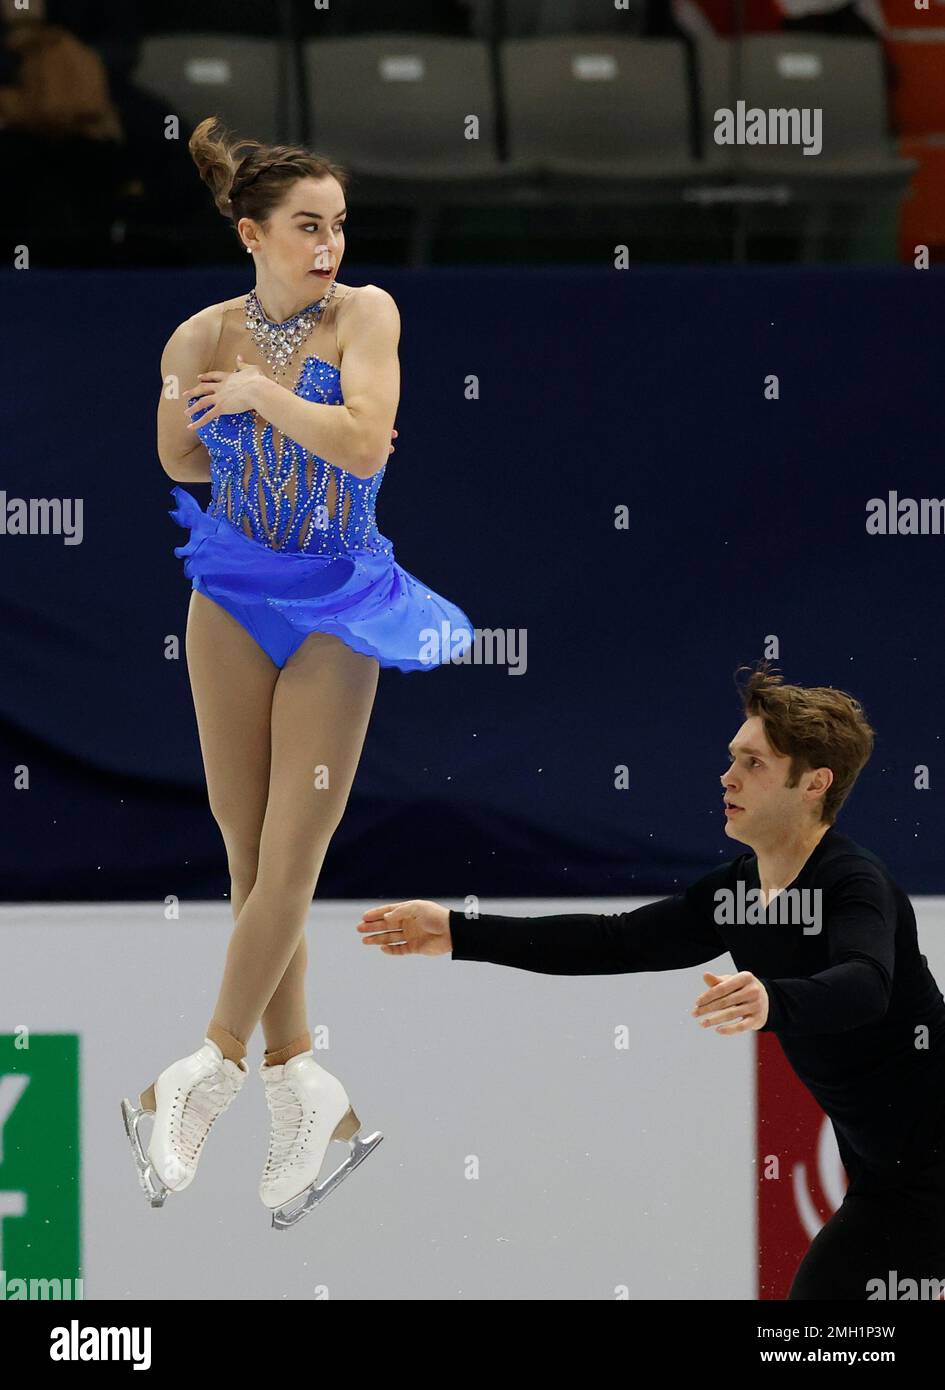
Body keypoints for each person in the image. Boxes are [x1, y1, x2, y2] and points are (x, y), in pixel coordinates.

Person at [121, 115, 474, 1230]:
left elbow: (368, 443)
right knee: (245, 853)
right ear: (252, 233)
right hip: (229, 591)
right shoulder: (195, 335)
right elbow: (179, 457)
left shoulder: (366, 313)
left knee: (294, 851)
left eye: (338, 225)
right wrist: (194, 399)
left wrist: (271, 400)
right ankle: (299, 1090)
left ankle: (205, 1073)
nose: (329, 244)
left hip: (335, 593)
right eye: (307, 226)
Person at [357, 663, 945, 1298]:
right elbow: (618, 939)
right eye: (732, 758)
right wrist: (458, 931)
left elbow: (865, 985)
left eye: (754, 763)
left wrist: (775, 998)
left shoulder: (854, 883)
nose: (728, 776)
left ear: (814, 784)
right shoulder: (736, 893)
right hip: (890, 1181)